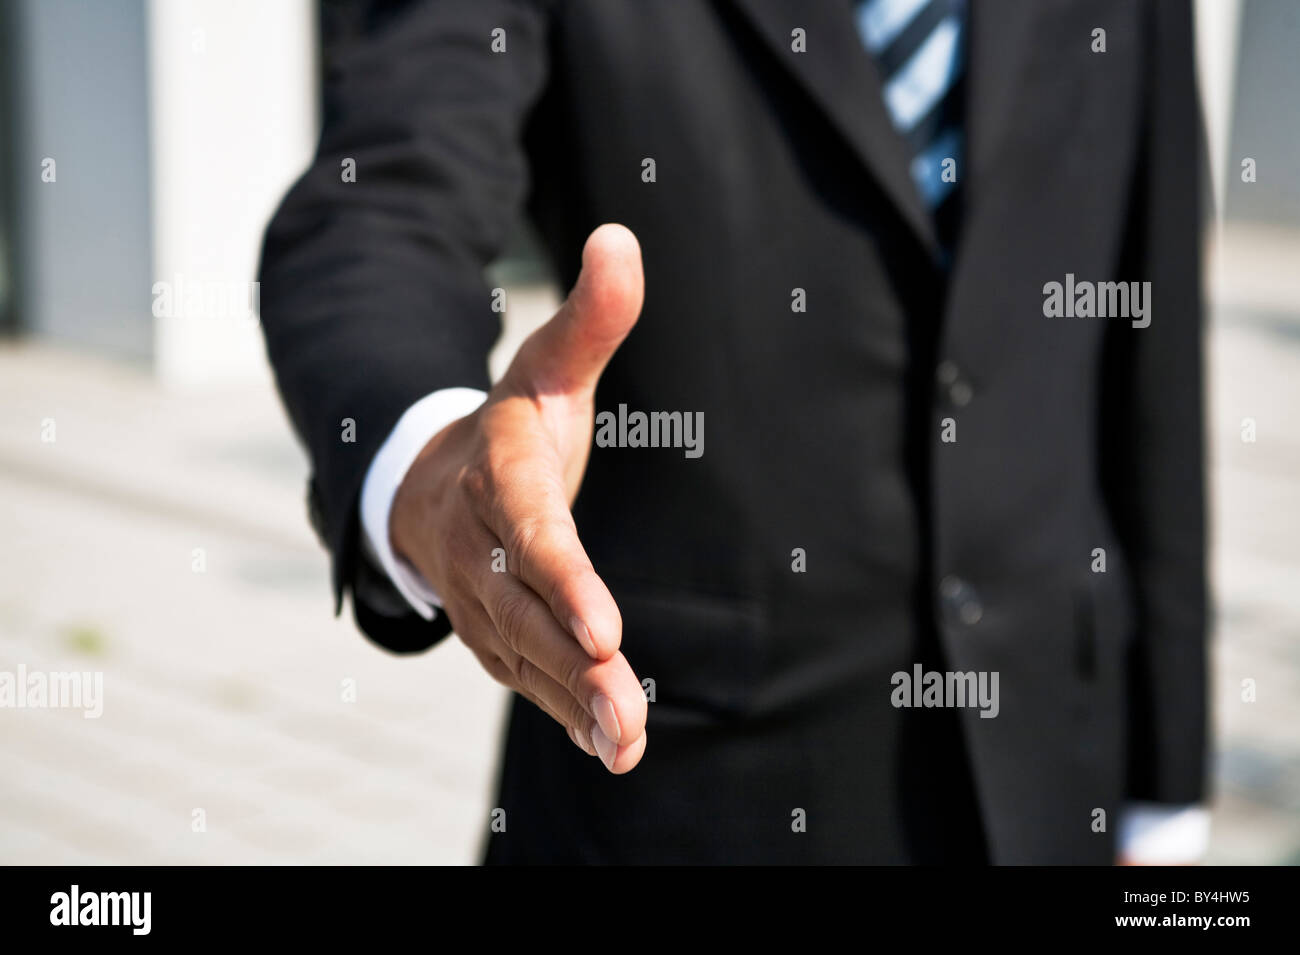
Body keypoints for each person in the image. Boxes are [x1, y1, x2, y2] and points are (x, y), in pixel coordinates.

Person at [258, 0, 1209, 863]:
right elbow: (383, 199)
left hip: (1055, 765)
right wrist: (430, 461)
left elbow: (1152, 323)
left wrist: (1165, 793)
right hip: (690, 784)